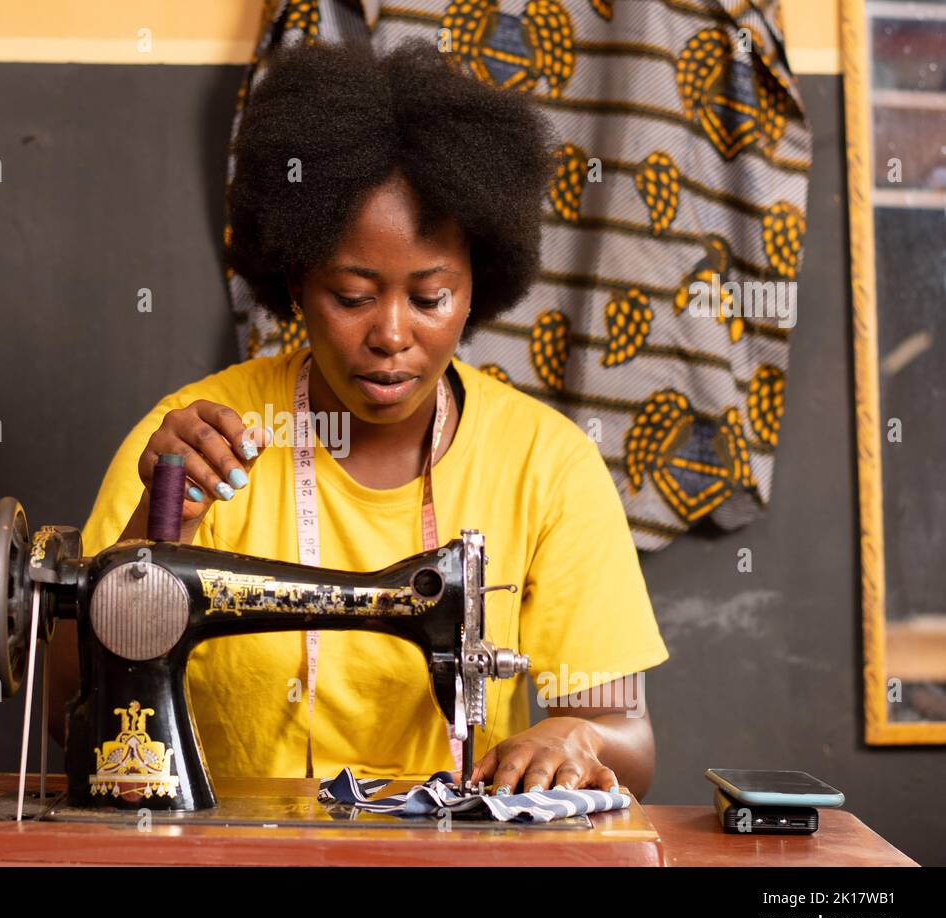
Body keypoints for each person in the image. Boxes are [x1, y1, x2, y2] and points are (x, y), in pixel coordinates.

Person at [49, 39, 669, 798]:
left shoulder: (547, 465)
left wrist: (574, 732)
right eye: (352, 296)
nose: (393, 334)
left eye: (431, 297)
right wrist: (156, 520)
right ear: (296, 281)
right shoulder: (195, 441)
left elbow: (628, 742)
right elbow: (66, 709)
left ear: (479, 288)